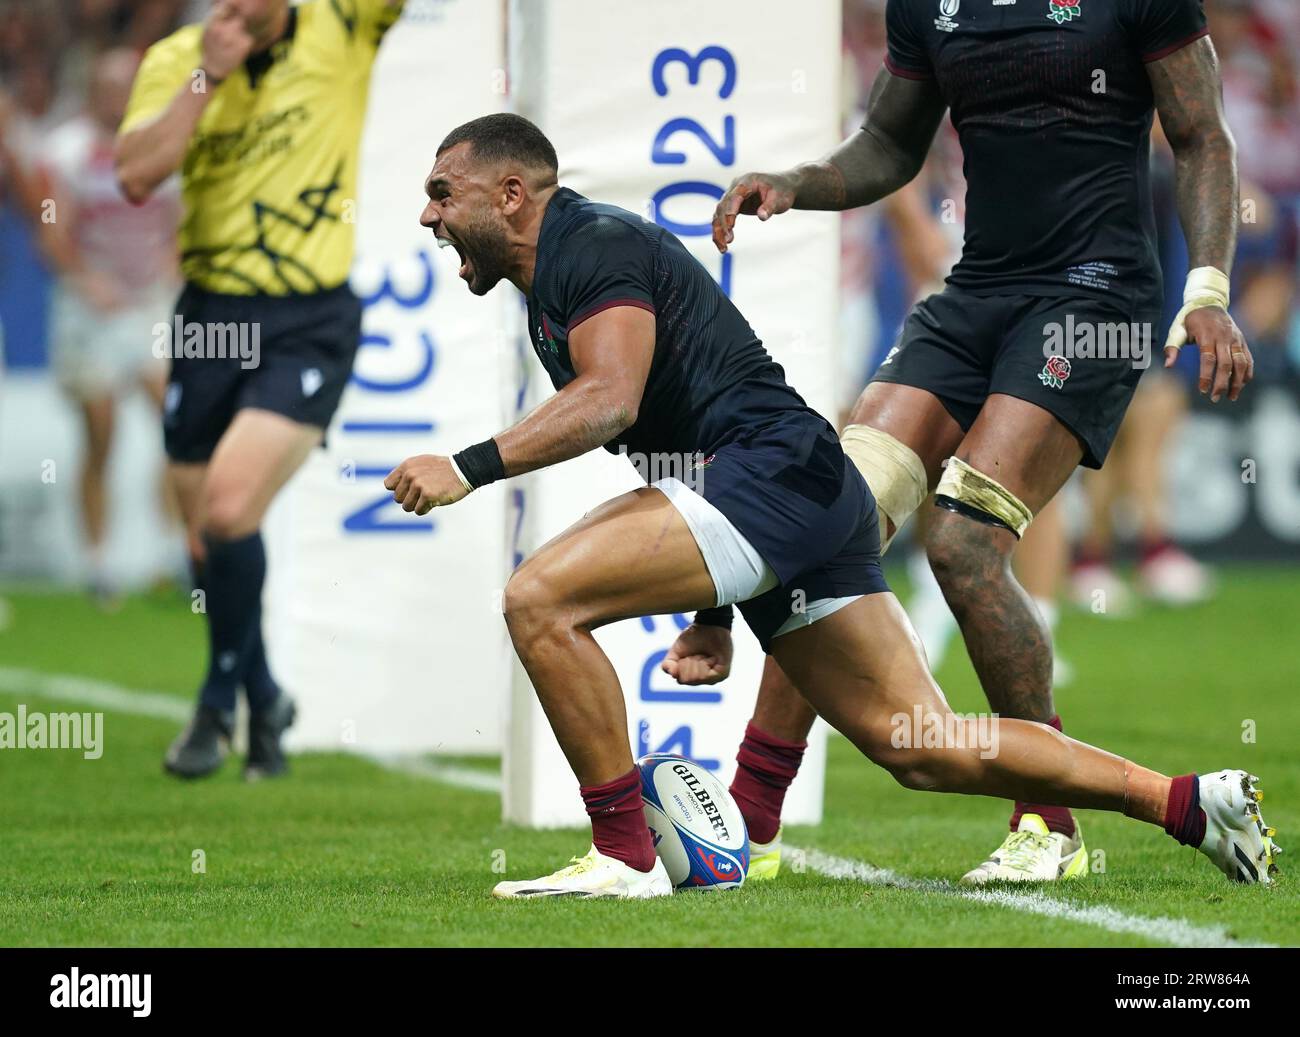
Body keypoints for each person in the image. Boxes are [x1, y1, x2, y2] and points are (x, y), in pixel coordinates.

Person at [386, 113, 1276, 899]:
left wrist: (466, 466)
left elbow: (612, 400)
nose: (429, 215)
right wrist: (715, 614)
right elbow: (678, 430)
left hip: (769, 478)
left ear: (511, 193)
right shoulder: (562, 272)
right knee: (918, 742)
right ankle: (1188, 802)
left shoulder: (590, 244)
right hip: (800, 492)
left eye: (441, 192)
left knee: (538, 597)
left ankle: (622, 855)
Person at [699, 0, 1257, 883]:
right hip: (978, 292)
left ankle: (1050, 823)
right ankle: (751, 820)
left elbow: (1202, 138)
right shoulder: (927, 4)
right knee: (825, 524)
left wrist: (1210, 289)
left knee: (962, 542)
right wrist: (799, 183)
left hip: (1094, 299)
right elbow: (889, 143)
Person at [114, 0, 405, 779]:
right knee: (206, 537)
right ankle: (267, 693)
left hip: (308, 316)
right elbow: (138, 175)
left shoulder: (345, 25)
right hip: (208, 316)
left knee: (228, 507)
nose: (237, 6)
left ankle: (217, 703)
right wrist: (209, 72)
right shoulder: (179, 59)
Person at [39, 48, 182, 608]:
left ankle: (172, 553)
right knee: (100, 432)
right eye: (111, 85)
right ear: (94, 88)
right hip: (89, 310)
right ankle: (98, 561)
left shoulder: (163, 142)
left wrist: (170, 267)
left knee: (174, 422)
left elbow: (179, 219)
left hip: (149, 303)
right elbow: (52, 224)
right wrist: (83, 277)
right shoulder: (68, 150)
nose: (119, 96)